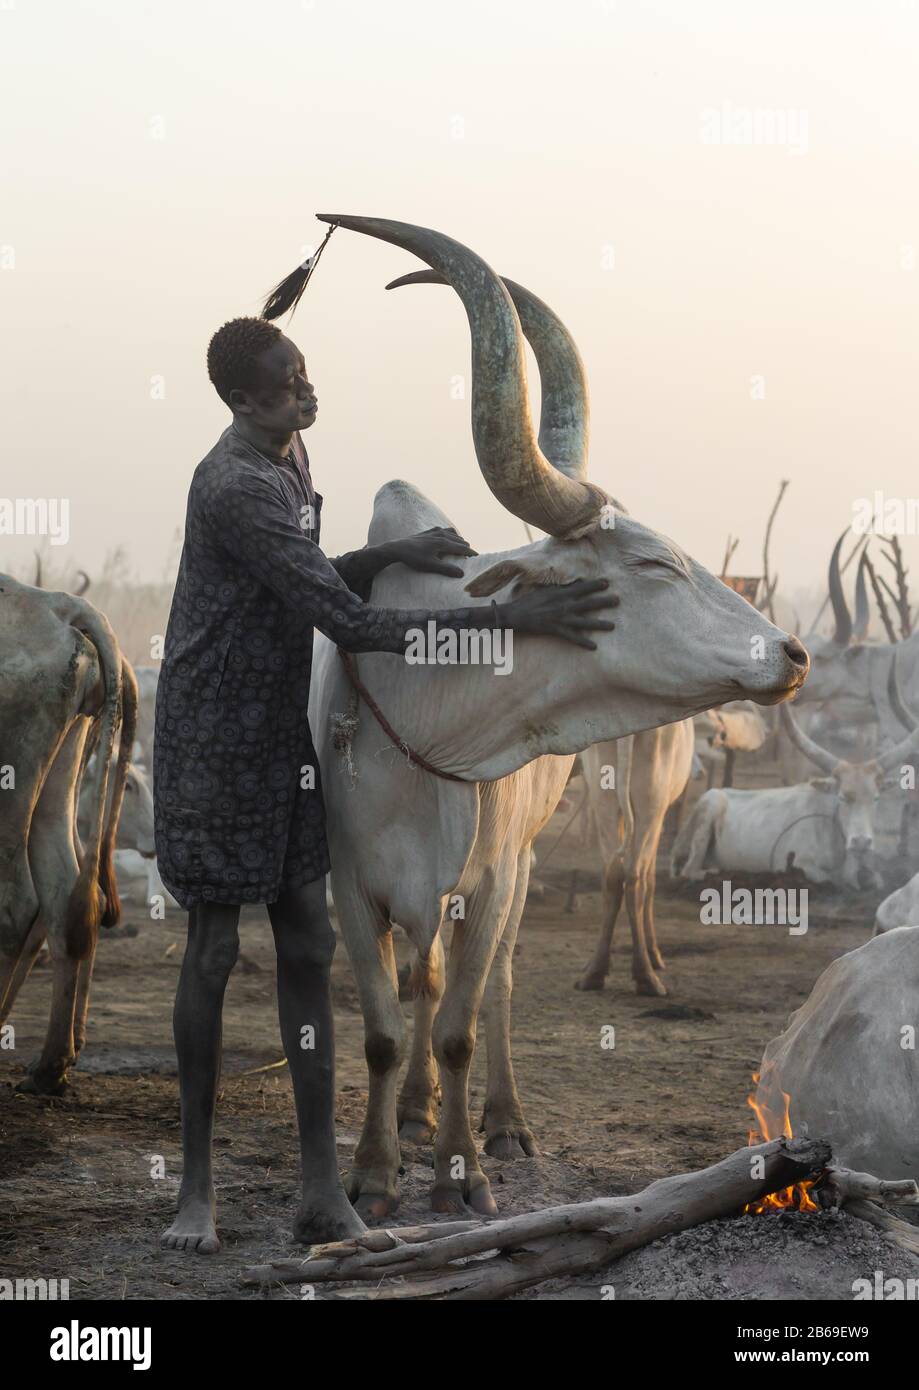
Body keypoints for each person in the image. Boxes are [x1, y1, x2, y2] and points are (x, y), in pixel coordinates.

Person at [154, 313, 617, 1253]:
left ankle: (323, 1187)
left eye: (307, 373)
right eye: (288, 384)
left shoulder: (289, 456)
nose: (307, 392)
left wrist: (389, 558)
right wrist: (522, 629)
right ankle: (193, 1193)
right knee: (209, 956)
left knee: (311, 945)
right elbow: (343, 617)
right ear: (245, 401)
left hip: (286, 735)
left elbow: (316, 571)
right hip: (211, 742)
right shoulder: (235, 482)